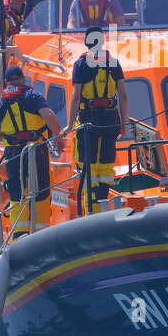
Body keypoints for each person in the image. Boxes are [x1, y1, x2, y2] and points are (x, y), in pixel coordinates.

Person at [0, 66, 63, 237]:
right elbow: (48, 115)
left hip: (13, 153)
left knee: (17, 191)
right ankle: (40, 234)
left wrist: (11, 137)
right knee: (41, 191)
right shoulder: (33, 97)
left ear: (7, 83)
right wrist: (59, 136)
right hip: (36, 150)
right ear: (23, 79)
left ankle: (19, 235)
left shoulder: (0, 105)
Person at [68, 26, 129, 215]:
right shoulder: (113, 63)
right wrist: (124, 123)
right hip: (111, 119)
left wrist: (70, 124)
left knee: (89, 167)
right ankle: (104, 207)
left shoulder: (81, 65)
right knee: (106, 166)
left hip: (89, 119)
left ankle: (91, 212)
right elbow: (123, 96)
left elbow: (76, 96)